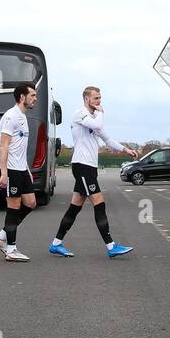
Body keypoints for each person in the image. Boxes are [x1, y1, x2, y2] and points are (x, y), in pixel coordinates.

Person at [48, 86, 136, 258]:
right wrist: (101, 112)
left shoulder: (95, 117)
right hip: (81, 166)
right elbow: (97, 124)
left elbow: (107, 139)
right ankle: (111, 246)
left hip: (89, 167)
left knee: (75, 207)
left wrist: (126, 150)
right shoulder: (79, 114)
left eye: (100, 99)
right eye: (96, 98)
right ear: (86, 99)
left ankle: (56, 244)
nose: (98, 102)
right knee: (99, 202)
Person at [0, 83, 38, 262]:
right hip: (9, 169)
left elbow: (20, 148)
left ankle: (2, 236)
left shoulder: (23, 117)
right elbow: (4, 145)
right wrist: (3, 172)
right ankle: (11, 249)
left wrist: (27, 170)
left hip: (21, 169)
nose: (35, 98)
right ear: (21, 97)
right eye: (32, 95)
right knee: (14, 207)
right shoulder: (10, 117)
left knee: (31, 203)